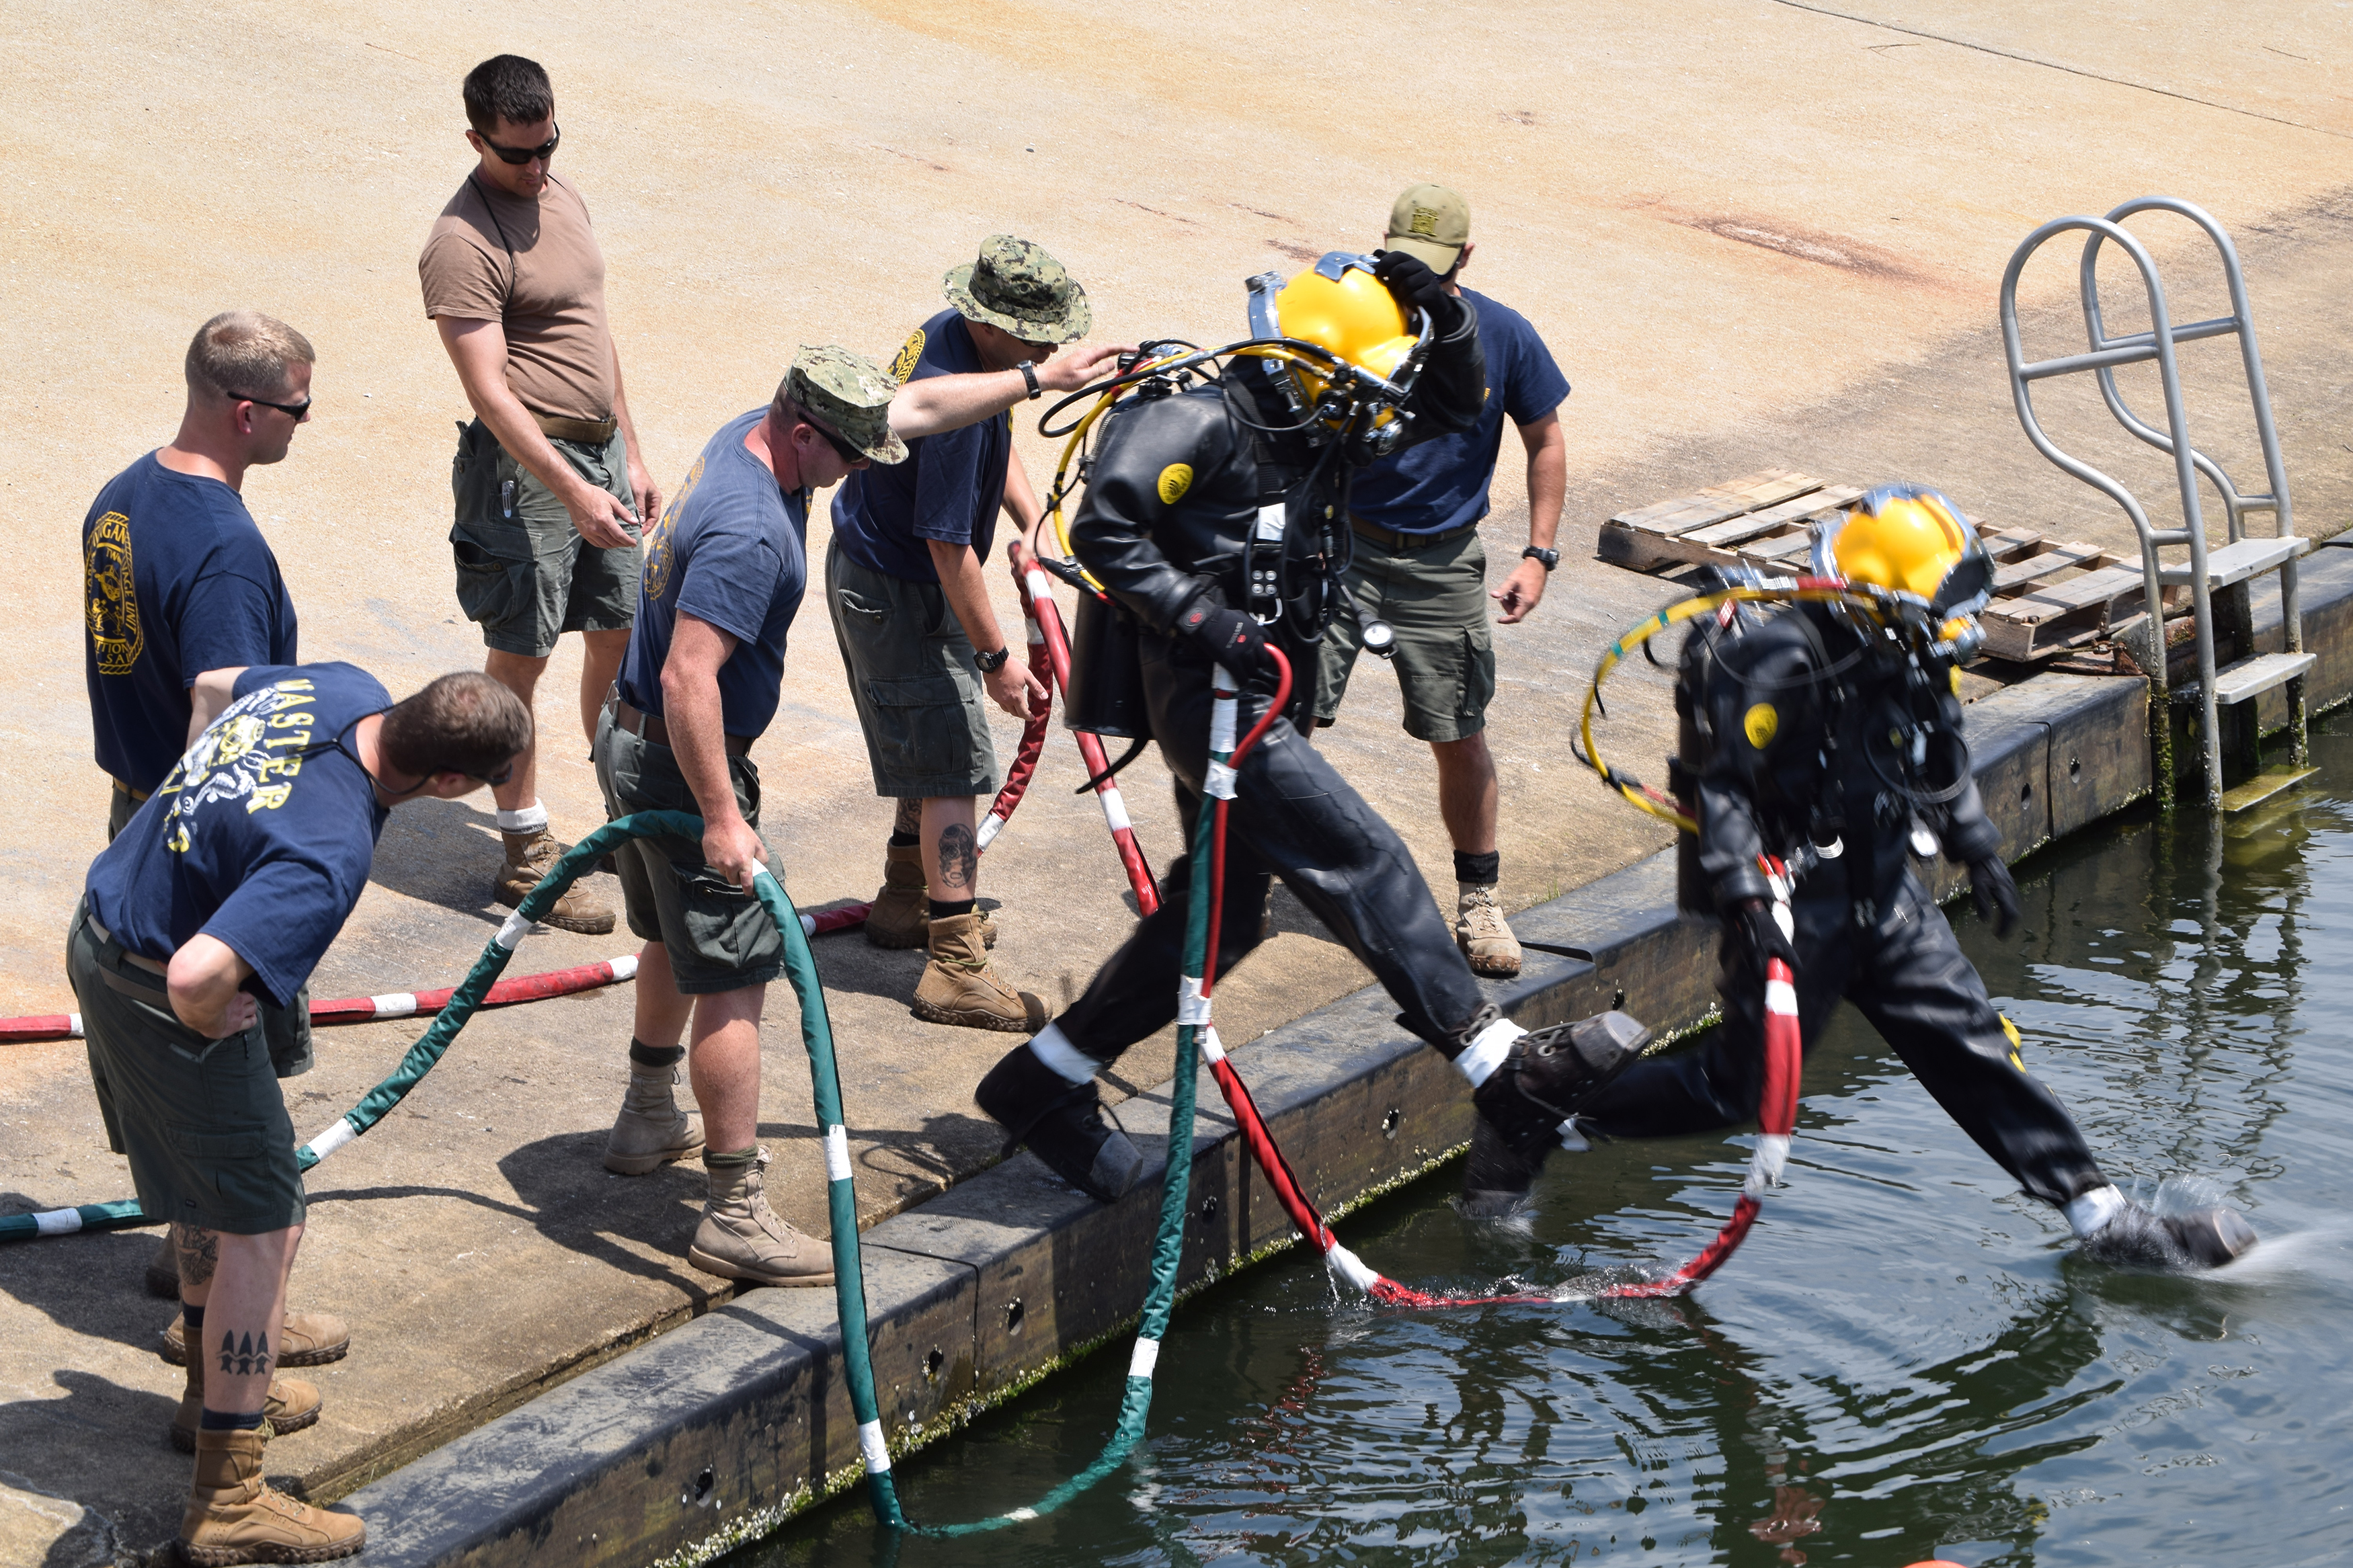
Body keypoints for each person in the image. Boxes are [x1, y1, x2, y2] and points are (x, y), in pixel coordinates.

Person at [971, 247, 1650, 1201]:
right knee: (1360, 855)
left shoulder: (1322, 422)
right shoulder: (1195, 418)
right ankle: (1502, 1064)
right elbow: (1103, 531)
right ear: (1319, 372)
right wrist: (1206, 620)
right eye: (1367, 394)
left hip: (1254, 683)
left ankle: (1042, 1080)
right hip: (1209, 693)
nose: (1380, 419)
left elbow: (1452, 412)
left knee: (1220, 917)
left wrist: (1446, 329)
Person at [1569, 485, 2258, 1269]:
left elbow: (1939, 748)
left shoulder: (1909, 642)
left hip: (1884, 891)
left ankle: (2102, 1218)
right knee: (1742, 1091)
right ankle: (1559, 1106)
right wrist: (1746, 896)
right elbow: (1724, 787)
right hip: (1791, 902)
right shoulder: (1775, 656)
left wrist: (1976, 843)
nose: (1952, 632)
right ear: (1875, 596)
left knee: (1974, 1043)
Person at [70, 665, 529, 1563]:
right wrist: (203, 1011)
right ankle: (231, 1496)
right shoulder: (330, 848)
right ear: (445, 785)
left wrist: (199, 829)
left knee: (221, 1187)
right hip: (156, 979)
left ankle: (217, 1389)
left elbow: (207, 686)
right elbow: (196, 977)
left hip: (110, 922)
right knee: (265, 1221)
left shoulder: (337, 686)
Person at [594, 347, 906, 1285]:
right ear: (806, 433)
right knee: (736, 972)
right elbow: (695, 677)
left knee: (668, 935)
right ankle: (733, 1209)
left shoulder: (751, 434)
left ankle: (649, 1114)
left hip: (629, 735)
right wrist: (724, 816)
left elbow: (909, 411)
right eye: (849, 459)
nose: (855, 477)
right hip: (683, 759)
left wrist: (1029, 384)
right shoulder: (751, 533)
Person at [80, 310, 320, 1305]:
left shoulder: (122, 497)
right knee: (223, 1093)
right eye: (300, 409)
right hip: (196, 842)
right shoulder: (225, 549)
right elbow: (220, 706)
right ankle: (211, 1326)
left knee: (171, 1080)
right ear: (249, 410)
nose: (306, 426)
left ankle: (182, 1248)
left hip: (131, 811)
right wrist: (223, 859)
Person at [826, 236, 1102, 1031]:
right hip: (901, 583)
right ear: (993, 324)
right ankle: (952, 966)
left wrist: (1034, 518)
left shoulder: (962, 340)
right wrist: (996, 658)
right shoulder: (947, 382)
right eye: (1037, 337)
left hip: (896, 571)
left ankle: (904, 900)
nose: (1048, 351)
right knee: (952, 757)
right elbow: (949, 550)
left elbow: (1000, 428)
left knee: (932, 740)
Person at [420, 52, 660, 937]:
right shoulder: (460, 242)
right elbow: (491, 392)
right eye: (518, 154)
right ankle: (524, 849)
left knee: (623, 631)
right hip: (525, 475)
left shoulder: (563, 196)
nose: (538, 167)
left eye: (548, 144)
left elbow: (593, 333)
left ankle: (622, 814)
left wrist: (629, 451)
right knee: (521, 655)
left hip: (598, 459)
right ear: (476, 138)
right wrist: (571, 485)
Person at [1314, 184, 1570, 981]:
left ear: (1465, 257)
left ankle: (1478, 900)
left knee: (1457, 729)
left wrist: (1537, 553)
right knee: (1280, 717)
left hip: (1441, 560)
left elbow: (1545, 439)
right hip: (1337, 546)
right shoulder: (1347, 313)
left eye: (1432, 266)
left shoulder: (1501, 332)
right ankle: (1241, 878)